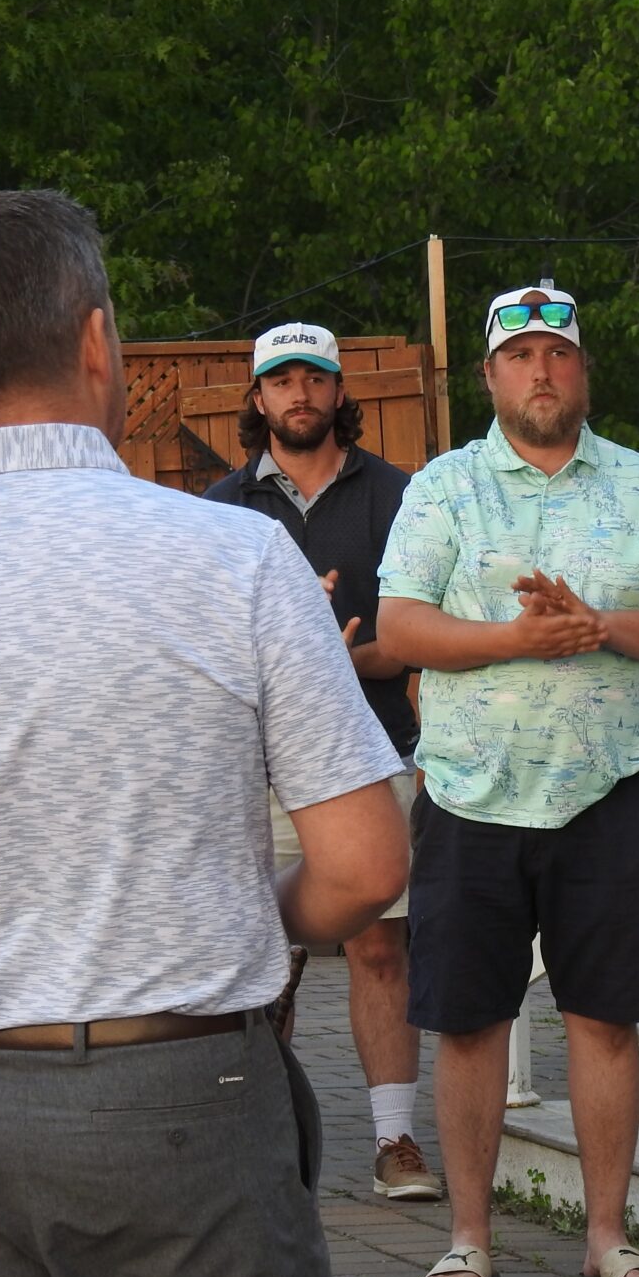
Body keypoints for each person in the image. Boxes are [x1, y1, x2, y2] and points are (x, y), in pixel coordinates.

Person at [0, 189, 408, 1277]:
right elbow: (365, 864)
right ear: (98, 346)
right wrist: (239, 914)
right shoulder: (235, 558)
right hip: (182, 1093)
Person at [377, 285, 639, 1277]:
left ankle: (606, 1237)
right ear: (488, 376)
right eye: (520, 355)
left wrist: (600, 623)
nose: (540, 372)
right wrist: (516, 639)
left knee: (603, 1019)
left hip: (605, 792)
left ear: (582, 371)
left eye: (557, 355)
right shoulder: (443, 488)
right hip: (470, 791)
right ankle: (470, 1237)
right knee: (473, 1020)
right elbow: (399, 629)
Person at [205, 320, 440, 1200]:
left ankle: (394, 1142)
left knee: (381, 945)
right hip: (250, 758)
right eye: (280, 380)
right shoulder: (218, 508)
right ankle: (257, 1146)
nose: (298, 394)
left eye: (314, 378)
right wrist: (288, 646)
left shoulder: (404, 496)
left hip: (371, 745)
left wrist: (343, 655)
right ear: (257, 399)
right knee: (262, 952)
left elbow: (424, 631)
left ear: (342, 394)